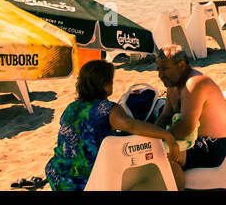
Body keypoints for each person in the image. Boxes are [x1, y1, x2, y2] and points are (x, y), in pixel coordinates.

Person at [45, 59, 181, 190]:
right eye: (110, 80)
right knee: (150, 174)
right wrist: (166, 135)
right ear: (103, 84)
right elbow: (131, 125)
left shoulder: (71, 108)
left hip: (59, 177)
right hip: (87, 183)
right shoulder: (106, 109)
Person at [155, 46, 226, 170]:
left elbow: (186, 126)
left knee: (163, 156)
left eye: (165, 69)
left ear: (181, 65)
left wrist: (158, 140)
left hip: (214, 145)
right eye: (158, 69)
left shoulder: (194, 83)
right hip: (192, 142)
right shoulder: (172, 85)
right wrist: (150, 136)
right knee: (153, 153)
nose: (160, 75)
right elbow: (166, 116)